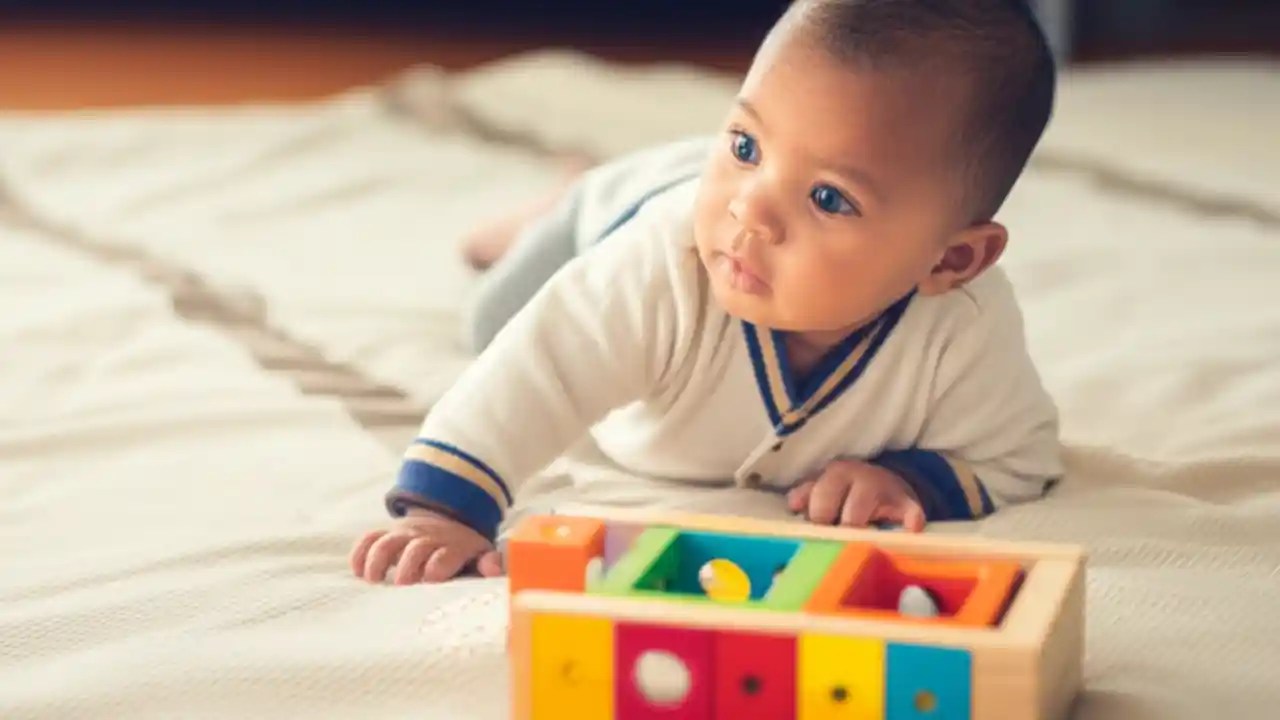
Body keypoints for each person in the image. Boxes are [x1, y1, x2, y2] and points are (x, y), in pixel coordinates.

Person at [351, 0, 1063, 585]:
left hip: (673, 198)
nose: (751, 210)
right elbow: (535, 369)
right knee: (492, 320)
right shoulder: (665, 268)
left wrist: (911, 481)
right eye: (746, 144)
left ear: (954, 260)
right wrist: (445, 510)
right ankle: (552, 206)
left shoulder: (965, 330)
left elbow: (1020, 455)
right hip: (616, 216)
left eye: (827, 197)